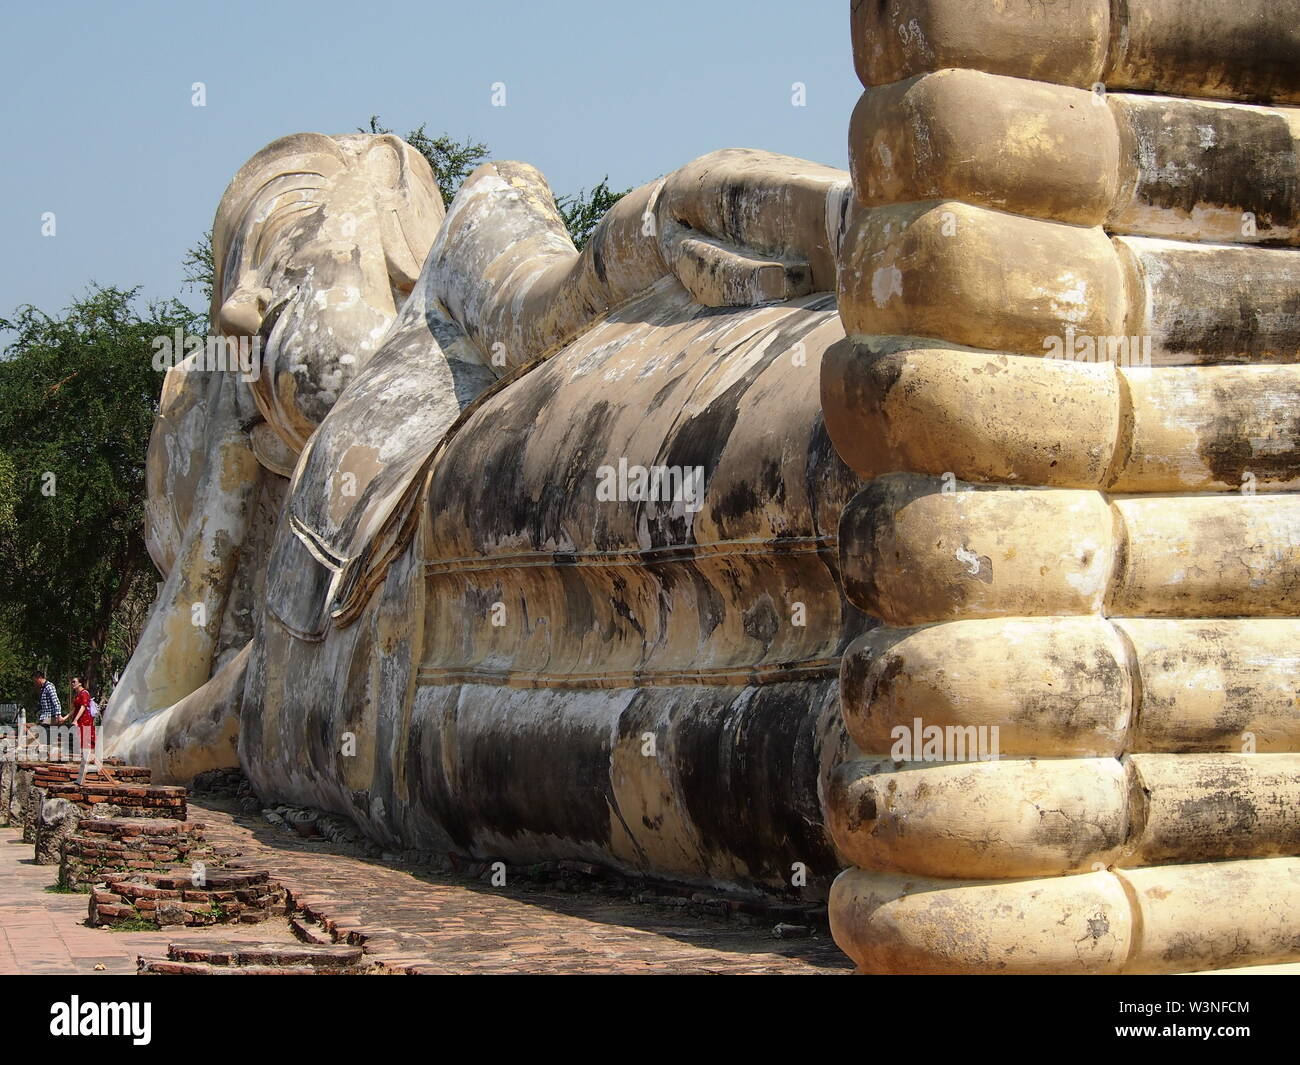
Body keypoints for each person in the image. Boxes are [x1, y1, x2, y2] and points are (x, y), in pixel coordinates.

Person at [60, 676, 96, 784]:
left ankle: (89, 769)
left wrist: (75, 719)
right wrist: (65, 718)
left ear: (80, 683)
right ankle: (83, 771)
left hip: (85, 721)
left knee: (86, 743)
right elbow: (75, 709)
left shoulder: (84, 693)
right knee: (81, 743)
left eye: (74, 682)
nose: (72, 684)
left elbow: (83, 707)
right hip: (79, 721)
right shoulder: (78, 694)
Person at [31, 669, 60, 753]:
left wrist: (58, 715)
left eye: (35, 681)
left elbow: (56, 701)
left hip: (50, 716)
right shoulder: (43, 688)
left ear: (39, 678)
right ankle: (47, 751)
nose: (35, 683)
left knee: (46, 735)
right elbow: (44, 702)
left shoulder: (49, 687)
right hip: (45, 716)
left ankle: (49, 751)